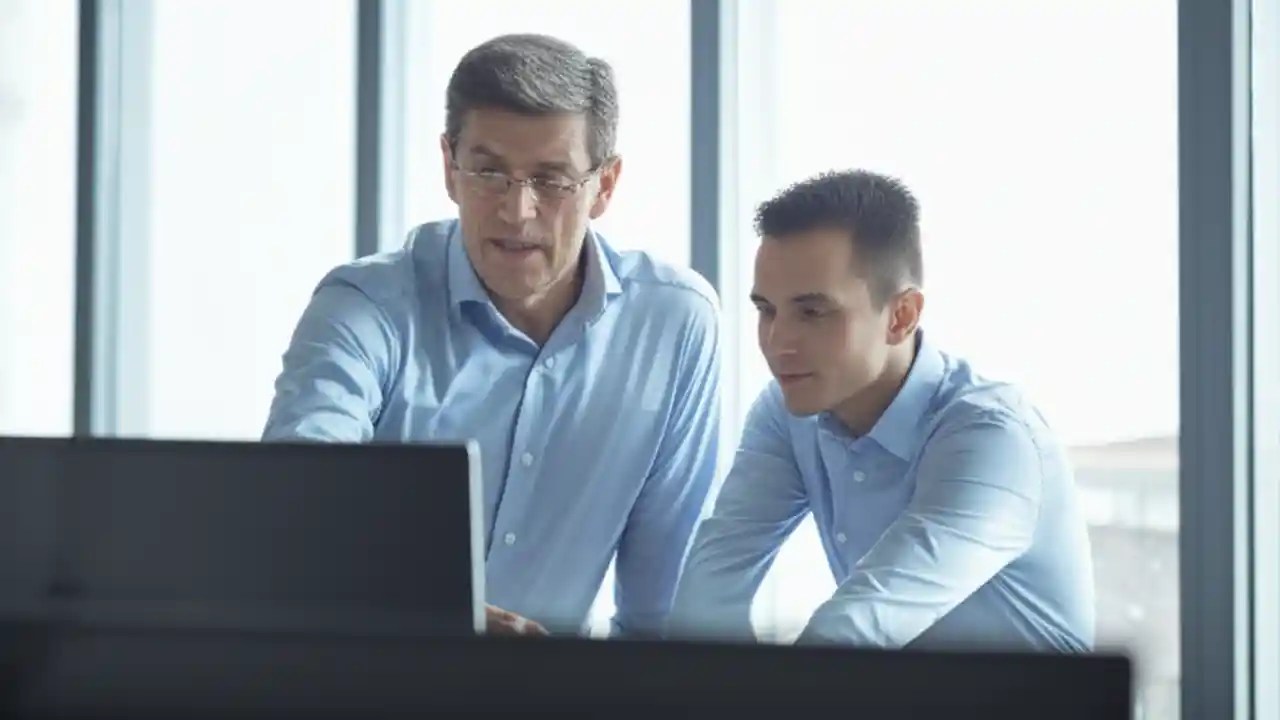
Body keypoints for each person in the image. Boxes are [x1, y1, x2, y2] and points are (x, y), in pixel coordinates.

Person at [262, 33, 721, 639]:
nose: (516, 211)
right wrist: (437, 624)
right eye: (489, 172)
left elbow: (661, 616)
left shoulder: (674, 325)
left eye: (552, 180)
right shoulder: (366, 308)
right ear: (449, 168)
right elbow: (294, 509)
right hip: (363, 679)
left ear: (604, 186)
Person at [667, 169, 1094, 652]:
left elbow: (858, 628)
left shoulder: (993, 439)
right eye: (767, 310)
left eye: (812, 312)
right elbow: (708, 592)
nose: (777, 343)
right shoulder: (789, 413)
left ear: (901, 316)